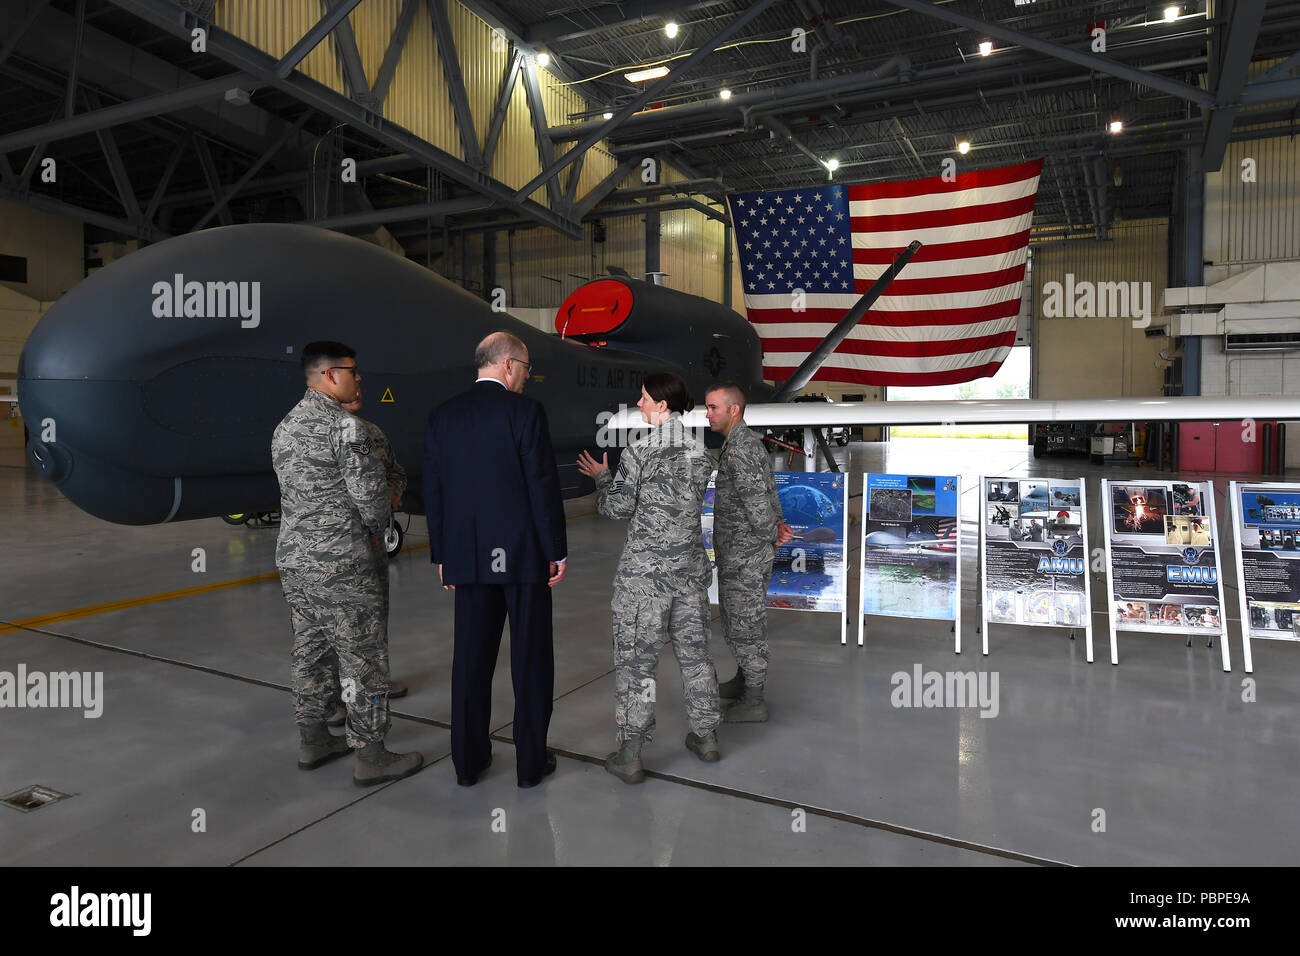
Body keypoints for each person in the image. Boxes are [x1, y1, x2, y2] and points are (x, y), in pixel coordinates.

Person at [272, 341, 423, 787]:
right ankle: (372, 754)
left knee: (310, 651)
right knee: (364, 659)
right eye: (353, 372)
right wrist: (380, 528)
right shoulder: (347, 429)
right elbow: (372, 501)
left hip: (296, 562)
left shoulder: (286, 427)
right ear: (331, 374)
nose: (359, 379)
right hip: (344, 564)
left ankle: (314, 737)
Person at [423, 331, 567, 788]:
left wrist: (443, 554)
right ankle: (529, 766)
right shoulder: (525, 413)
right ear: (508, 364)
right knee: (530, 660)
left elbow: (435, 491)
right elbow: (541, 487)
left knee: (470, 661)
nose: (527, 376)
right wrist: (555, 551)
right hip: (523, 559)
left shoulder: (443, 416)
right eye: (525, 367)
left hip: (467, 558)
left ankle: (468, 762)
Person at [577, 373, 721, 783]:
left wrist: (603, 480)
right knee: (696, 658)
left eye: (643, 398)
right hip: (690, 577)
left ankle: (631, 752)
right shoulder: (699, 453)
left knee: (637, 665)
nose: (638, 404)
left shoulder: (640, 452)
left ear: (661, 404)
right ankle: (707, 737)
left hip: (645, 581)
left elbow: (617, 509)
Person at [703, 382, 793, 723]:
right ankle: (745, 680)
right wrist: (778, 526)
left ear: (734, 410)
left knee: (745, 626)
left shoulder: (740, 448)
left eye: (714, 407)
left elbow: (757, 505)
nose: (708, 414)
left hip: (746, 556)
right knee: (738, 621)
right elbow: (768, 493)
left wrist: (772, 531)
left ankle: (754, 699)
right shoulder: (744, 444)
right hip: (742, 552)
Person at [324, 393, 408, 729]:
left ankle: (375, 684)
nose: (357, 390)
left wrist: (390, 495)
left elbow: (394, 473)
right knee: (342, 631)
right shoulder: (324, 432)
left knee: (371, 624)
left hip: (367, 545)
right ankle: (349, 711)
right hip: (344, 545)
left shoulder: (371, 433)